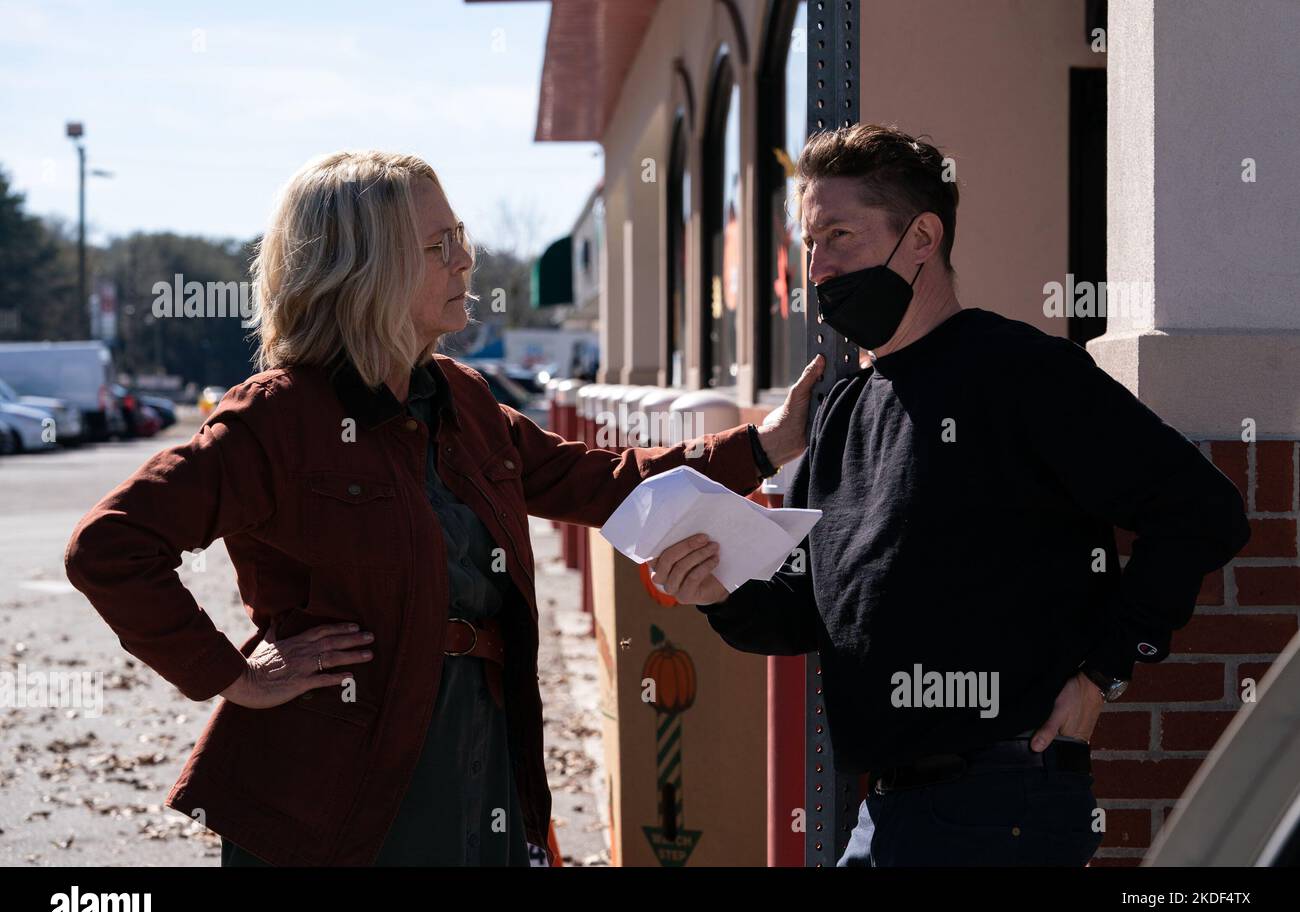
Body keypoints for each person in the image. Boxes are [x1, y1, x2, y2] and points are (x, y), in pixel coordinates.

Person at [64, 150, 822, 866]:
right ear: (365, 269)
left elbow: (600, 478)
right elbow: (111, 547)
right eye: (438, 246)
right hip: (333, 778)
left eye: (460, 238)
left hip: (475, 748)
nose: (466, 260)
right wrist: (232, 674)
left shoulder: (462, 398)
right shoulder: (277, 418)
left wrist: (765, 445)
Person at [648, 124, 1251, 866]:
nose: (818, 266)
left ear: (923, 237)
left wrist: (1103, 673)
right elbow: (810, 611)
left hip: (1002, 800)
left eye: (839, 235)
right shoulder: (839, 410)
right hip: (887, 811)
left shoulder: (1022, 372)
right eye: (809, 243)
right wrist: (716, 590)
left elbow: (1204, 512)